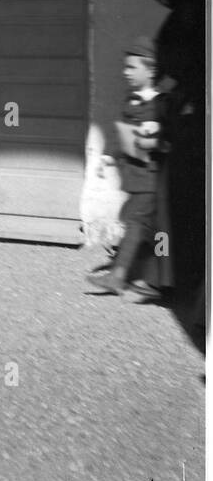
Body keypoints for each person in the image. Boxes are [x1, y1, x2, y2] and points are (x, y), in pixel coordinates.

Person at [146, 0, 206, 329]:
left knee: (182, 195)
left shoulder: (188, 10)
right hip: (185, 110)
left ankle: (181, 281)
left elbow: (187, 64)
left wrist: (162, 91)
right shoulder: (187, 5)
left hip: (189, 113)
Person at [86, 37, 164, 298]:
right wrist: (109, 157)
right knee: (139, 223)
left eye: (132, 67)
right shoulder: (132, 101)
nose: (126, 72)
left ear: (150, 70)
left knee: (134, 223)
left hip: (151, 179)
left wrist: (154, 138)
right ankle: (152, 277)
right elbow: (123, 135)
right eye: (125, 67)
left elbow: (163, 139)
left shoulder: (160, 104)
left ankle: (118, 276)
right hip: (134, 178)